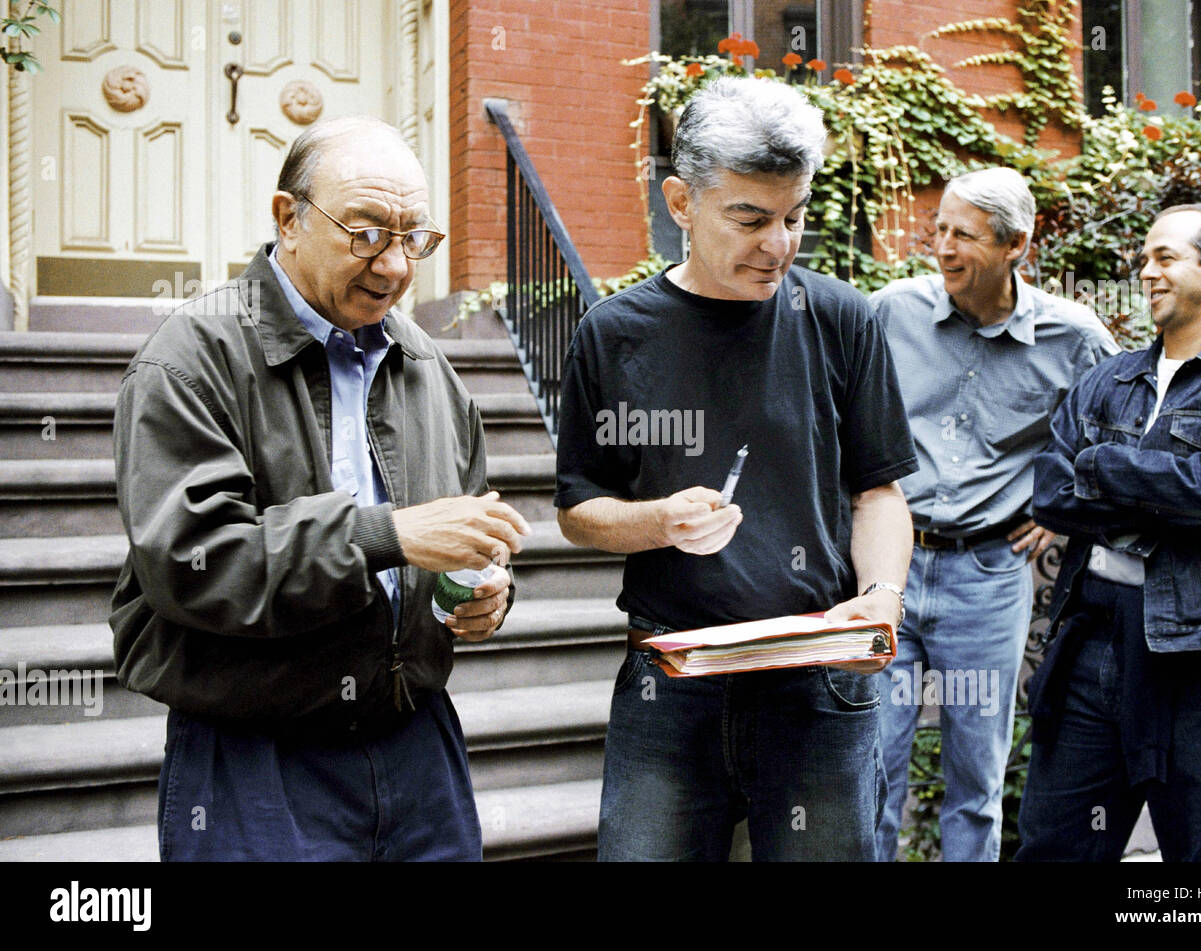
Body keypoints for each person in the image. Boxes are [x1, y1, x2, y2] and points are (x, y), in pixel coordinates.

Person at [111, 115, 531, 861]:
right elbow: (190, 562)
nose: (397, 266)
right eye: (368, 233)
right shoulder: (189, 357)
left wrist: (479, 590)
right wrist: (387, 534)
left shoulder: (429, 365)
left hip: (417, 744)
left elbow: (458, 528)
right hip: (255, 755)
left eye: (415, 238)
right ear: (288, 218)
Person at [554, 75, 918, 861]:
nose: (779, 244)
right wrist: (656, 521)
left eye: (793, 217)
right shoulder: (614, 333)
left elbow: (879, 492)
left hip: (820, 677)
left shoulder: (844, 319)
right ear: (680, 202)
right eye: (750, 218)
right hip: (669, 679)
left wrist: (882, 597)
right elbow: (578, 507)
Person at [1018, 204, 1201, 861]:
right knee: (1055, 848)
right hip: (1093, 641)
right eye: (1143, 258)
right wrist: (1170, 490)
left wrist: (1104, 464)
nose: (1145, 272)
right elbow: (1053, 492)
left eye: (1165, 257)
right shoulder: (1109, 378)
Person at [869, 167, 1118, 862]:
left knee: (975, 780)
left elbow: (1123, 429)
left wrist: (1067, 509)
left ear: (1016, 245)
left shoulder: (1073, 336)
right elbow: (832, 413)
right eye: (939, 229)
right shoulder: (892, 310)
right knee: (874, 769)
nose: (943, 247)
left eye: (964, 235)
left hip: (987, 575)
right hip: (888, 565)